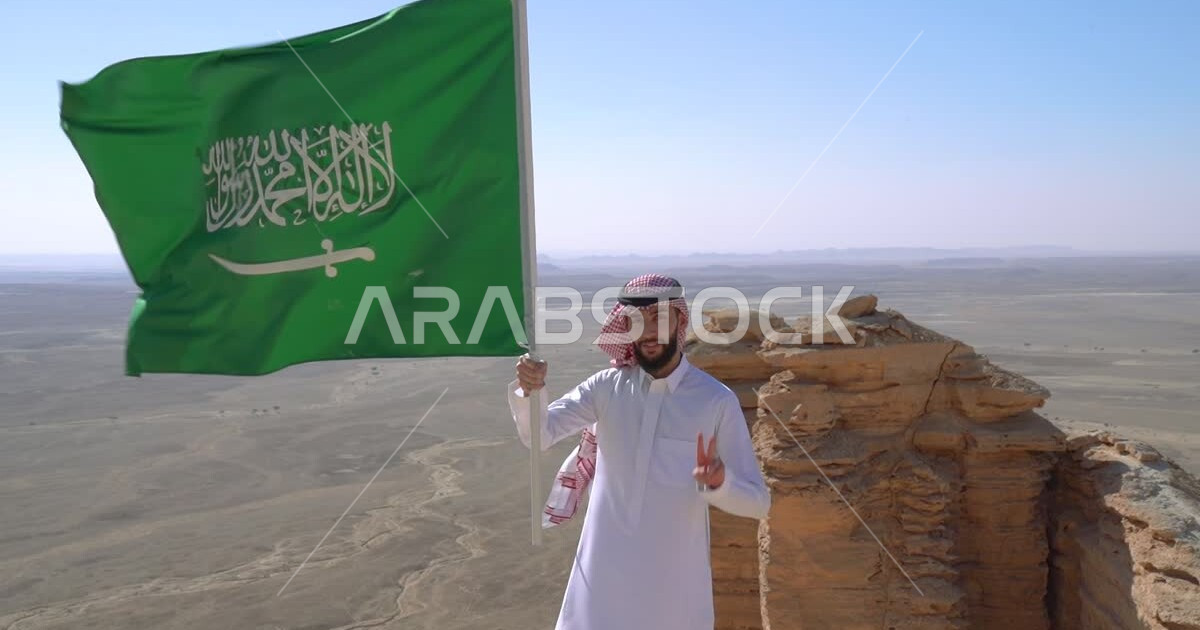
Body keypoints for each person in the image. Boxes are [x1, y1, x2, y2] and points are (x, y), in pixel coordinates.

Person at [508, 273, 770, 630]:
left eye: (658, 317)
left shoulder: (715, 401)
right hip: (600, 583)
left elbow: (758, 503)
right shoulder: (606, 388)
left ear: (679, 320)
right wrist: (531, 392)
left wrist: (720, 485)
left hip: (673, 595)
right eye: (635, 320)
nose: (647, 331)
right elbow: (540, 435)